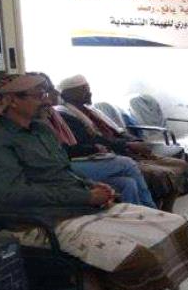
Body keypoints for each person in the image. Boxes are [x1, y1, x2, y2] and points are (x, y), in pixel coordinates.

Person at [0, 74, 188, 290]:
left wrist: (91, 186)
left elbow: (65, 171)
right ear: (12, 101)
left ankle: (97, 272)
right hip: (38, 219)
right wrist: (85, 197)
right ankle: (95, 275)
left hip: (76, 205)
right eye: (38, 96)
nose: (47, 101)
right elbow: (13, 195)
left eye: (46, 94)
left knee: (173, 225)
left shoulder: (41, 130)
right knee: (137, 258)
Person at [56, 75, 188, 210]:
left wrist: (135, 141)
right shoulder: (66, 115)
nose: (89, 92)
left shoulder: (91, 110)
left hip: (125, 150)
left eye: (88, 88)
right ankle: (152, 209)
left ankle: (167, 209)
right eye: (83, 89)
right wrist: (127, 145)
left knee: (181, 165)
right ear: (68, 94)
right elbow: (96, 140)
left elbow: (117, 130)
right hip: (113, 154)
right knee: (157, 175)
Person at [28, 73, 157, 209]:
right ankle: (151, 209)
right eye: (47, 91)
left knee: (127, 183)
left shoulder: (53, 115)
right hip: (65, 166)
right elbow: (64, 151)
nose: (55, 93)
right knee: (127, 164)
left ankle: (136, 215)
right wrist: (95, 148)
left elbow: (69, 146)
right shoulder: (48, 118)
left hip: (73, 161)